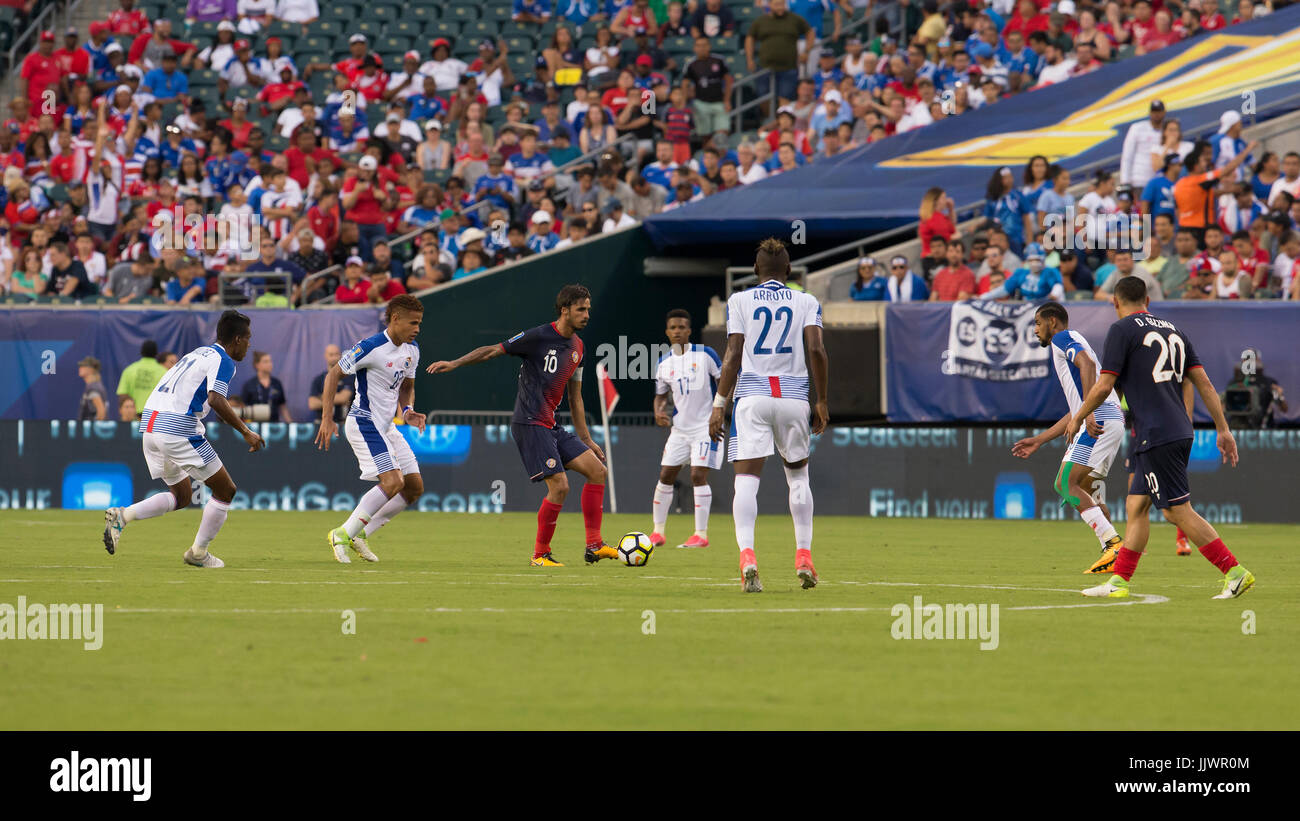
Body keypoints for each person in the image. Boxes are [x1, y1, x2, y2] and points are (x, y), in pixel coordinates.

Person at [1069, 276, 1254, 600]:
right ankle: (1119, 583)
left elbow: (1104, 385)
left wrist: (1080, 415)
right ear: (1148, 301)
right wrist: (1223, 429)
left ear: (1115, 302)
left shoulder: (1122, 329)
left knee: (1175, 510)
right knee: (1137, 505)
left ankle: (1234, 572)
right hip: (1173, 429)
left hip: (1156, 432)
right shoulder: (1175, 331)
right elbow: (1205, 383)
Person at [425, 284, 615, 567]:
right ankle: (540, 555)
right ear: (565, 310)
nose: (587, 314)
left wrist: (587, 439)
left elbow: (576, 397)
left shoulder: (578, 347)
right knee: (560, 486)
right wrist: (455, 363)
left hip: (552, 425)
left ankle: (594, 545)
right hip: (530, 423)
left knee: (598, 471)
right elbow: (492, 350)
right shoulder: (538, 336)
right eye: (581, 309)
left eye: (588, 309)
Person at [708, 238, 827, 593]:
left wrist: (719, 404)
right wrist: (822, 400)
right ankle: (803, 555)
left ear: (755, 270)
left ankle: (748, 557)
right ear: (789, 271)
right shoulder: (806, 300)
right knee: (799, 479)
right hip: (793, 397)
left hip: (753, 397)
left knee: (745, 481)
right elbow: (817, 349)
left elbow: (733, 353)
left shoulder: (740, 300)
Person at [103, 310, 267, 568]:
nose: (249, 345)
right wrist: (246, 431)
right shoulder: (224, 361)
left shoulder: (197, 353)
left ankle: (123, 516)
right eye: (247, 339)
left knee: (182, 496)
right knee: (226, 490)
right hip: (177, 428)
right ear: (236, 339)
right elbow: (216, 399)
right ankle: (199, 552)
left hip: (150, 425)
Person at [1012, 302, 1128, 575]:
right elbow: (1075, 408)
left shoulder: (1063, 338)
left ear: (1052, 321)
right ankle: (1116, 556)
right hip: (1106, 417)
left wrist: (1088, 412)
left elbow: (1085, 364)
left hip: (1099, 419)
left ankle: (1113, 544)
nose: (1036, 330)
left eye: (1038, 323)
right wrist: (1041, 439)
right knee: (1084, 487)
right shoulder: (1071, 343)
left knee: (1065, 483)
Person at [316, 295, 427, 563]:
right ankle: (342, 533)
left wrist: (408, 411)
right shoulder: (370, 347)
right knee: (393, 482)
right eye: (413, 323)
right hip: (365, 422)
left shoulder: (412, 351)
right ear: (395, 319)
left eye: (420, 323)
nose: (417, 329)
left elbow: (406, 388)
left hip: (387, 426)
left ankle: (359, 534)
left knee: (413, 488)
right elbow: (333, 374)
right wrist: (327, 418)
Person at [648, 309, 723, 550]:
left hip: (705, 426)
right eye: (673, 328)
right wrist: (659, 411)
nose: (677, 331)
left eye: (682, 327)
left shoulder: (705, 355)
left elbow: (724, 382)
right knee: (666, 476)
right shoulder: (663, 363)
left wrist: (718, 411)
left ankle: (701, 534)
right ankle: (658, 532)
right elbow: (660, 396)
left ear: (689, 330)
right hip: (680, 430)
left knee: (697, 475)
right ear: (667, 332)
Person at [117, 340, 168, 416]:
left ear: (141, 352)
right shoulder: (164, 372)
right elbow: (166, 397)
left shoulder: (129, 370)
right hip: (154, 416)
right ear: (156, 353)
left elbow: (123, 395)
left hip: (134, 415)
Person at [239, 351, 292, 423]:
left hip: (273, 426)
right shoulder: (249, 385)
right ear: (257, 365)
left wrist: (290, 424)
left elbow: (282, 406)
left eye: (270, 361)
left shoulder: (277, 383)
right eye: (265, 362)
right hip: (254, 426)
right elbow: (243, 407)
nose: (270, 364)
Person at [77, 357, 110, 421]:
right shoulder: (96, 386)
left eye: (83, 366)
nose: (80, 368)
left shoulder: (93, 388)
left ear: (91, 369)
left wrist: (94, 429)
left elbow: (101, 413)